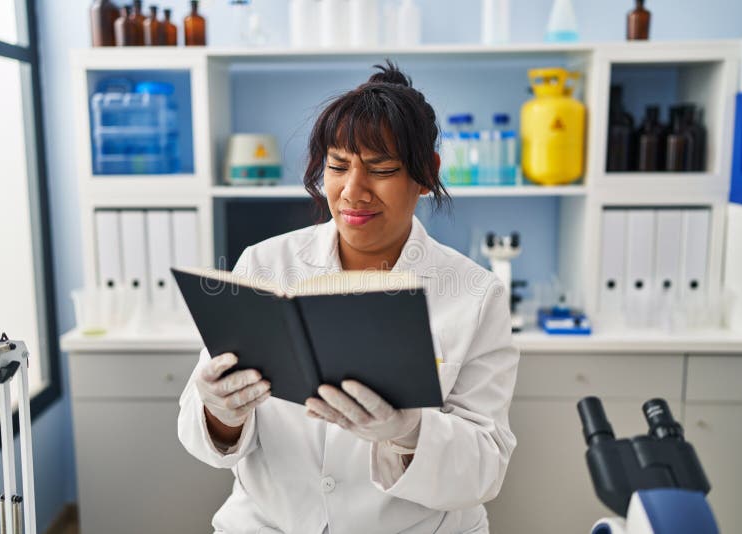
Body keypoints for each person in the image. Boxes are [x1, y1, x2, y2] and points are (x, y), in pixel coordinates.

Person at [178, 61, 519, 534]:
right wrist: (220, 411)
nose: (352, 192)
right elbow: (202, 436)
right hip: (268, 524)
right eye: (337, 166)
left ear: (427, 173)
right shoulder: (264, 264)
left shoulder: (476, 294)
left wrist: (410, 433)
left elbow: (487, 465)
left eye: (381, 169)